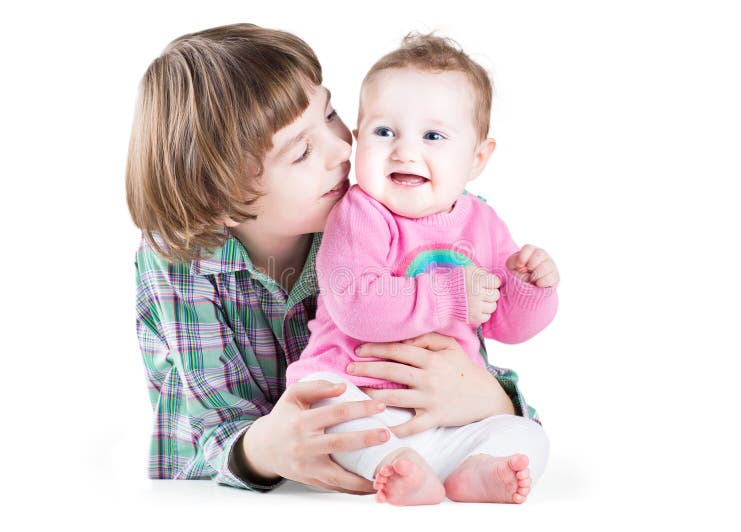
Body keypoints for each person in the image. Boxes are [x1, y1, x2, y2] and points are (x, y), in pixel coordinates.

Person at [126, 23, 541, 496]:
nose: (344, 148)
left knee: (520, 440)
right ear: (216, 197)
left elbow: (451, 348)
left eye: (330, 114)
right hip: (225, 497)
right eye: (302, 151)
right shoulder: (180, 257)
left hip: (399, 441)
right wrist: (265, 450)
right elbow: (212, 422)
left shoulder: (390, 211)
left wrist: (492, 398)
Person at [284, 33, 559, 505]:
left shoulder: (481, 222)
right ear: (358, 138)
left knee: (529, 435)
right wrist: (451, 296)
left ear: (476, 158)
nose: (405, 152)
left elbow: (504, 324)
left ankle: (473, 470)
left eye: (433, 136)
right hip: (358, 396)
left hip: (448, 413)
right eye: (384, 132)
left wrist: (527, 288)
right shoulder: (359, 213)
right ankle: (392, 466)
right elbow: (356, 305)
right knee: (320, 399)